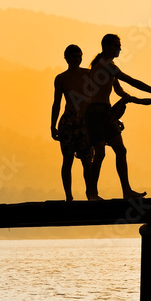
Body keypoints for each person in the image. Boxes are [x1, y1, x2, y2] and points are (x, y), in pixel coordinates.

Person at [85, 34, 151, 200]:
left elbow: (119, 89)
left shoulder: (109, 65)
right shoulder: (104, 65)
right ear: (107, 46)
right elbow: (133, 81)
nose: (119, 49)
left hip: (106, 112)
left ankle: (127, 191)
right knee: (100, 153)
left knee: (121, 150)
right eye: (116, 46)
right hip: (95, 113)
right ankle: (92, 193)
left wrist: (132, 98)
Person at [51, 45, 95, 202]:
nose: (77, 59)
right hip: (69, 121)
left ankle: (90, 194)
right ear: (67, 58)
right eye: (74, 57)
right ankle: (69, 196)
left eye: (79, 56)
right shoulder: (61, 78)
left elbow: (97, 98)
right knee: (67, 159)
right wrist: (53, 125)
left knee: (87, 160)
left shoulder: (88, 75)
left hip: (85, 121)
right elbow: (57, 102)